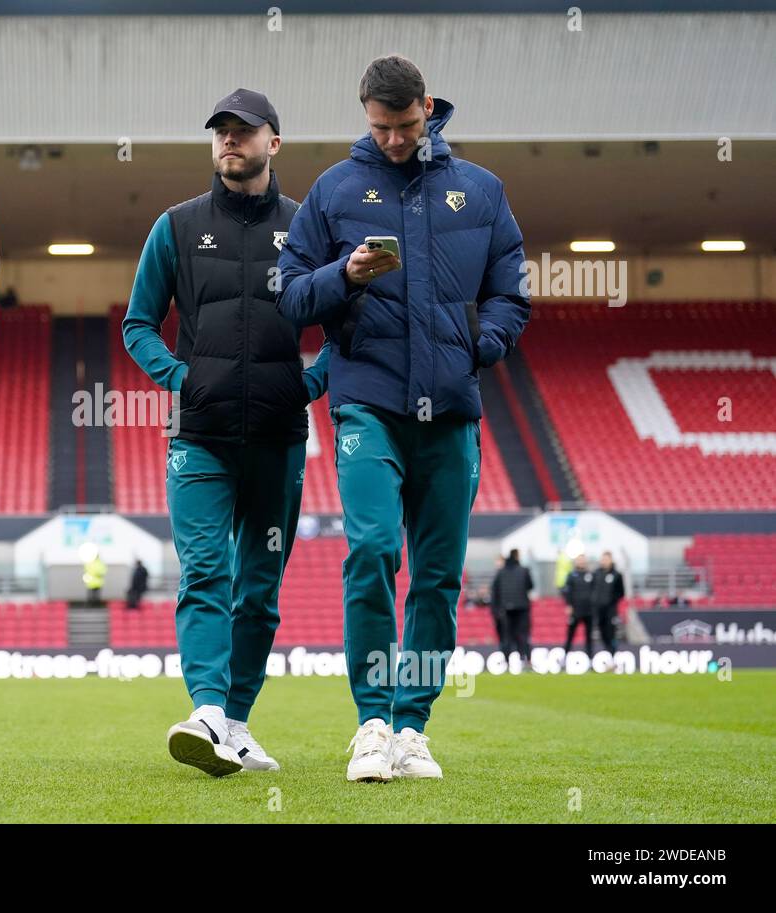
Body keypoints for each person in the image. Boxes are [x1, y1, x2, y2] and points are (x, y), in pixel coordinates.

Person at [276, 55, 529, 782]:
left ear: (428, 107)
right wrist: (341, 276)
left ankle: (413, 725)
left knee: (439, 575)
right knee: (373, 550)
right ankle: (372, 723)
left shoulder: (480, 191)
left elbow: (512, 289)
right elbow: (292, 296)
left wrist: (484, 343)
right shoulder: (334, 190)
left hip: (451, 407)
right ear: (366, 115)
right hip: (368, 402)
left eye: (404, 125)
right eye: (380, 127)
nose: (391, 140)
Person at [124, 88, 330, 777]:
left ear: (275, 142)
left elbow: (350, 322)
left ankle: (235, 724)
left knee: (259, 587)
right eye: (220, 132)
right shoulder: (176, 226)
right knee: (205, 570)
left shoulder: (309, 227)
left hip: (278, 436)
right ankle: (209, 709)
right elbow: (137, 324)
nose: (229, 141)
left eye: (244, 131)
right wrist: (181, 379)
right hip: (200, 435)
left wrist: (309, 382)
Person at [492, 550, 534, 663]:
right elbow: (530, 586)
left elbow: (495, 592)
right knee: (523, 634)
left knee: (507, 636)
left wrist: (496, 611)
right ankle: (526, 659)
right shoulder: (524, 571)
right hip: (522, 608)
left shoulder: (500, 573)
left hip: (505, 608)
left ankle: (507, 661)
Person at [590, 551, 625, 654]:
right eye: (603, 559)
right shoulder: (596, 573)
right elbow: (592, 588)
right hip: (599, 610)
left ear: (611, 560)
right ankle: (608, 653)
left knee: (612, 633)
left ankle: (613, 654)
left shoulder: (617, 575)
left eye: (606, 559)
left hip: (611, 610)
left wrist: (611, 601)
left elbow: (621, 592)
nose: (604, 561)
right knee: (602, 633)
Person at [561, 554, 596, 656]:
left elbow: (595, 591)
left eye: (583, 560)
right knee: (570, 635)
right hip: (575, 610)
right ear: (576, 562)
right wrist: (569, 605)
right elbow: (566, 591)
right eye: (579, 560)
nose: (581, 562)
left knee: (589, 637)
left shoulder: (590, 575)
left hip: (588, 611)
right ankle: (565, 658)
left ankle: (590, 660)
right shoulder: (571, 575)